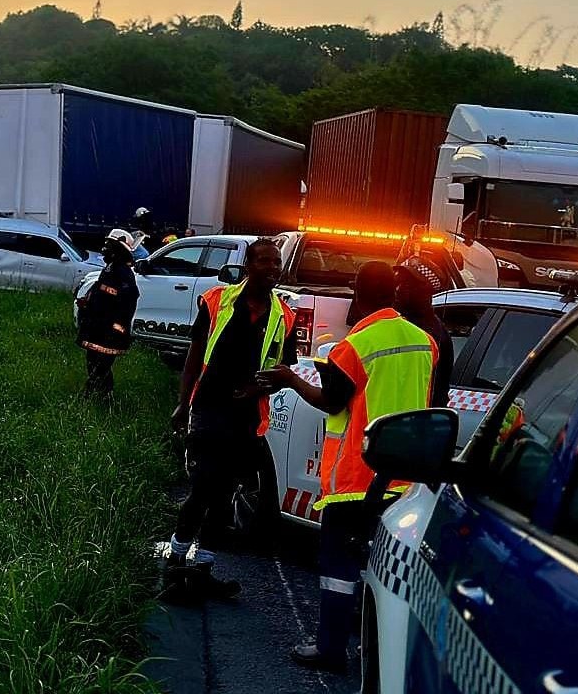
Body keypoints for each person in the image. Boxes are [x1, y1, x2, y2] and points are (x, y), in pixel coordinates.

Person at [258, 261, 437, 673]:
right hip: (406, 479)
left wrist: (290, 378)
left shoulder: (352, 347)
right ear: (393, 292)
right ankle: (376, 653)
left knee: (339, 567)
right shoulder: (425, 342)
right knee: (384, 571)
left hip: (358, 477)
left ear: (357, 291)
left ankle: (330, 648)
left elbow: (331, 402)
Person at [165, 238, 297, 600]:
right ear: (248, 265)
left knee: (224, 493)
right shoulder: (217, 301)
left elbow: (283, 371)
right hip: (209, 406)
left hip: (247, 416)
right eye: (265, 262)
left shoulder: (284, 316)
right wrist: (182, 404)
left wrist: (257, 390)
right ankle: (174, 563)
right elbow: (194, 355)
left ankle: (203, 569)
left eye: (277, 263)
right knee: (203, 487)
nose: (273, 268)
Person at [76, 229, 140, 396]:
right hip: (97, 327)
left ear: (119, 249)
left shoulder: (124, 273)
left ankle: (97, 396)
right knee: (93, 361)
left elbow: (128, 302)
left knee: (101, 366)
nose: (105, 248)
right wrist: (87, 303)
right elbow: (101, 292)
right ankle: (98, 394)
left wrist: (117, 327)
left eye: (109, 245)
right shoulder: (110, 268)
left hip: (110, 331)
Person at [394, 255, 454, 408]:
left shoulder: (432, 334)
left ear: (425, 290)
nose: (398, 289)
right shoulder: (400, 325)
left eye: (406, 284)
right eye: (397, 282)